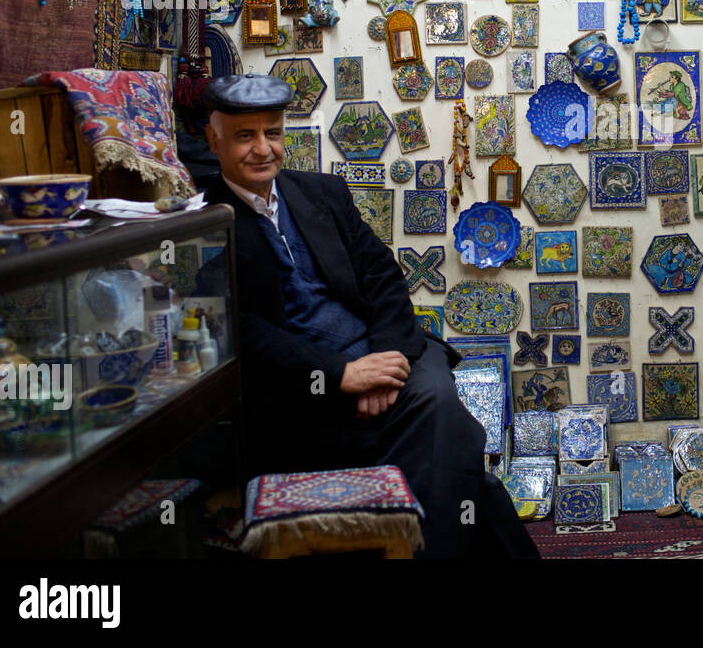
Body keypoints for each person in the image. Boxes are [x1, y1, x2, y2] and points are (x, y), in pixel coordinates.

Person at [195, 74, 537, 559]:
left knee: (435, 398)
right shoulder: (204, 220)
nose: (263, 149)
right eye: (244, 136)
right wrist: (341, 374)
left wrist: (385, 361)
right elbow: (238, 327)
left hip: (386, 351)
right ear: (214, 140)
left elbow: (383, 276)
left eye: (272, 132)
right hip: (305, 386)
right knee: (453, 444)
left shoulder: (321, 193)